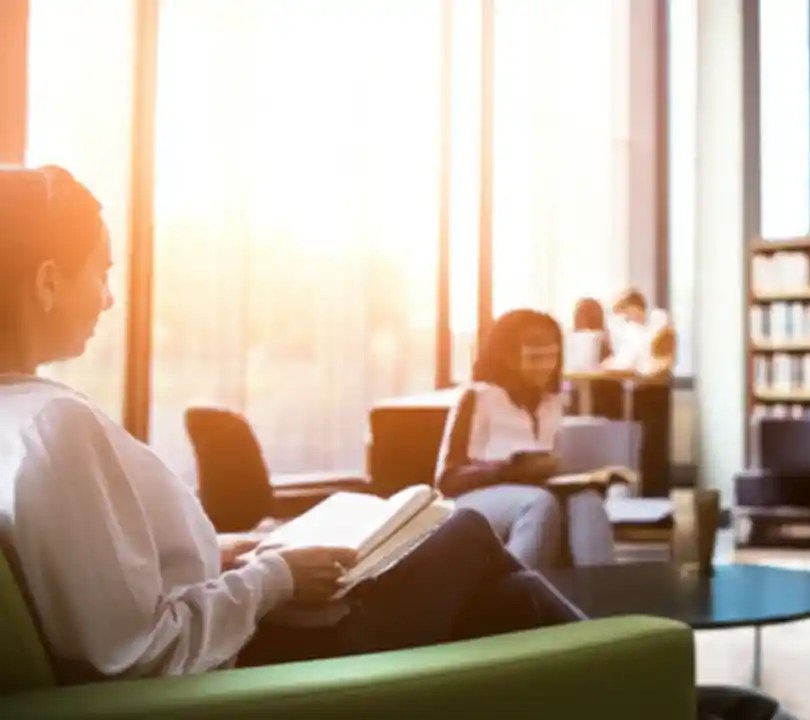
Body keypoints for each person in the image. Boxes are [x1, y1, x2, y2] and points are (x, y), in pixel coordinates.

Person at [0, 166, 583, 683]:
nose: (107, 299)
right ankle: (639, 672)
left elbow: (106, 582)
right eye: (100, 273)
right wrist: (275, 576)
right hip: (251, 673)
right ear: (48, 282)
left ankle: (624, 673)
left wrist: (231, 552)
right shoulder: (55, 428)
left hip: (238, 642)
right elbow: (142, 656)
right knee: (469, 532)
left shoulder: (24, 417)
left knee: (509, 602)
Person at [437, 309, 617, 568]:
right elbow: (447, 479)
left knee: (587, 502)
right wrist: (509, 470)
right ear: (508, 357)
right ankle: (515, 595)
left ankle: (599, 600)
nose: (545, 366)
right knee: (538, 503)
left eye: (551, 356)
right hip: (474, 498)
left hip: (539, 491)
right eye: (534, 357)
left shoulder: (554, 404)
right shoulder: (478, 398)